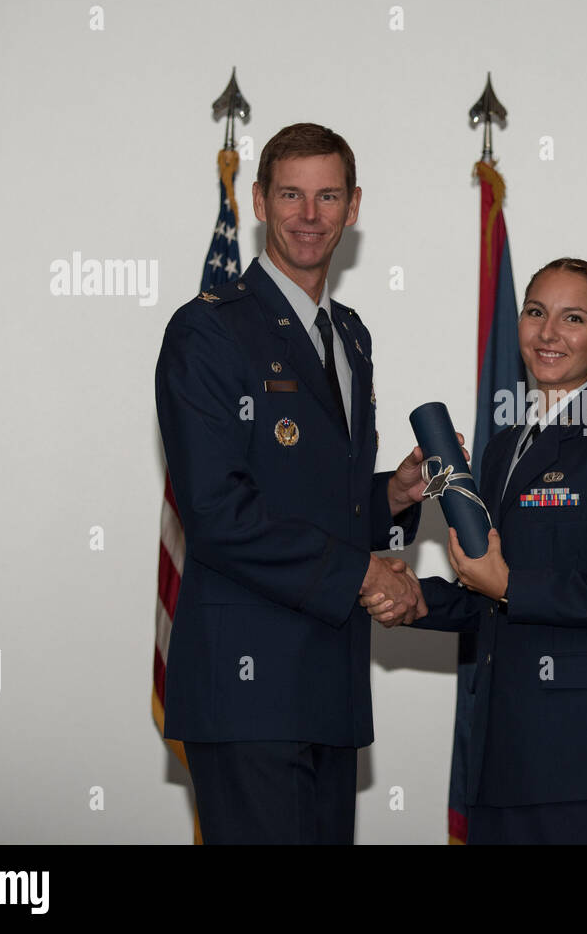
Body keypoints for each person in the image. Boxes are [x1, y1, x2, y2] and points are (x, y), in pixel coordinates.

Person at [155, 123, 438, 844]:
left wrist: (391, 498)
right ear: (258, 200)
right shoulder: (207, 332)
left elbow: (320, 504)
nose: (310, 215)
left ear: (353, 206)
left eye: (328, 195)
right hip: (247, 691)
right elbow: (218, 513)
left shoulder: (352, 335)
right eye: (291, 194)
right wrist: (365, 571)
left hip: (330, 686)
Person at [364, 257, 587, 844]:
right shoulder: (503, 447)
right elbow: (491, 593)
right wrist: (406, 595)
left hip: (586, 763)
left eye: (573, 318)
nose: (548, 333)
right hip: (499, 756)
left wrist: (508, 585)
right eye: (535, 313)